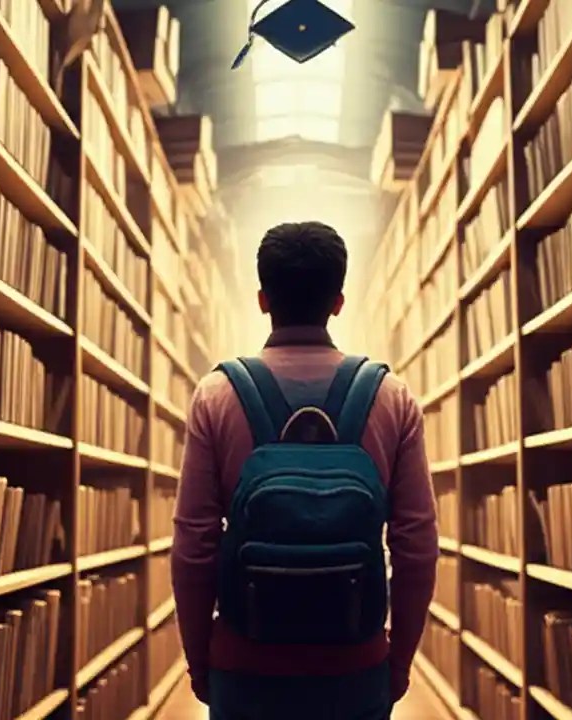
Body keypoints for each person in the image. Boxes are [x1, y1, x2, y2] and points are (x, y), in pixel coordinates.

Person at [171, 221, 438, 719]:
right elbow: (417, 547)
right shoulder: (392, 398)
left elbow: (193, 546)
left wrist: (201, 663)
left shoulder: (216, 395)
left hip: (245, 665)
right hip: (354, 667)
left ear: (262, 298)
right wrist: (396, 663)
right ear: (338, 300)